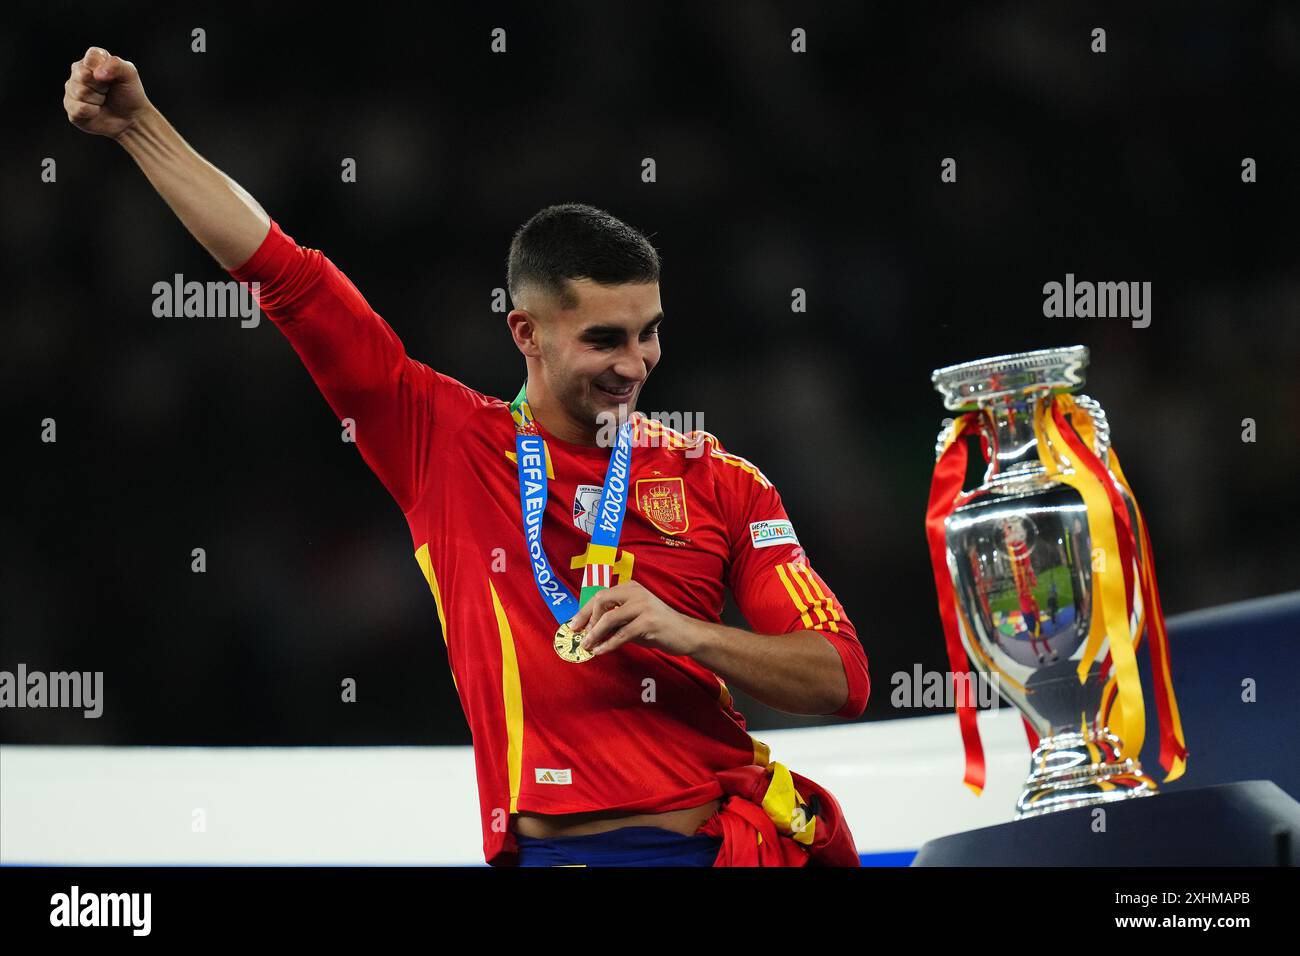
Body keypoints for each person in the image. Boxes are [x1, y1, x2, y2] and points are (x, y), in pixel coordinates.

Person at [63, 47, 870, 867]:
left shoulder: (721, 480)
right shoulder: (441, 441)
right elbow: (288, 277)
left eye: (648, 331)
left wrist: (687, 633)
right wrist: (140, 128)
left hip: (720, 849)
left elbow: (841, 678)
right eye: (603, 339)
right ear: (526, 332)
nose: (635, 363)